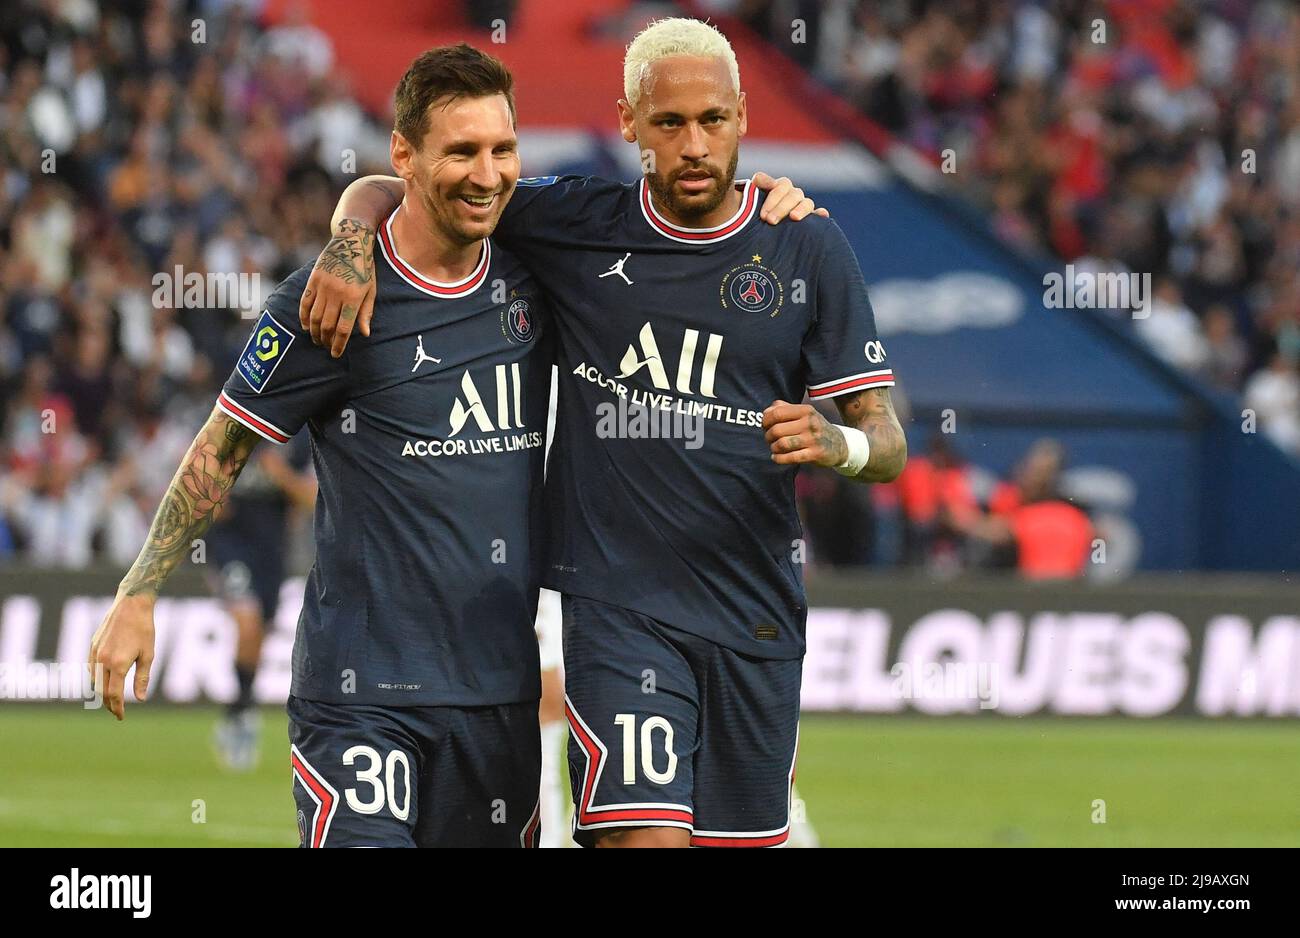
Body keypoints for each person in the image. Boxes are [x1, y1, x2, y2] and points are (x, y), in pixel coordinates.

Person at [306, 19, 906, 847]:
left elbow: (888, 442)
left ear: (742, 114)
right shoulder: (571, 222)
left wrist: (838, 444)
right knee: (644, 840)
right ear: (628, 122)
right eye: (668, 124)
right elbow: (407, 183)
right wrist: (348, 239)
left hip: (754, 615)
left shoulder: (805, 246)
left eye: (712, 121)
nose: (693, 145)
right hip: (617, 611)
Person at [89, 44, 554, 847]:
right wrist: (139, 589)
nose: (488, 174)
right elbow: (223, 447)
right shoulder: (331, 302)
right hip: (361, 692)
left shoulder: (542, 265)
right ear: (403, 154)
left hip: (498, 699)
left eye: (502, 149)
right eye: (462, 152)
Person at [208, 435, 316, 771]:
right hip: (230, 544)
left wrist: (280, 473)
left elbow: (312, 499)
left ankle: (239, 710)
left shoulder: (301, 437)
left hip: (272, 550)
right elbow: (203, 490)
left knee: (259, 633)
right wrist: (216, 491)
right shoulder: (233, 424)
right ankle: (242, 716)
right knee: (247, 619)